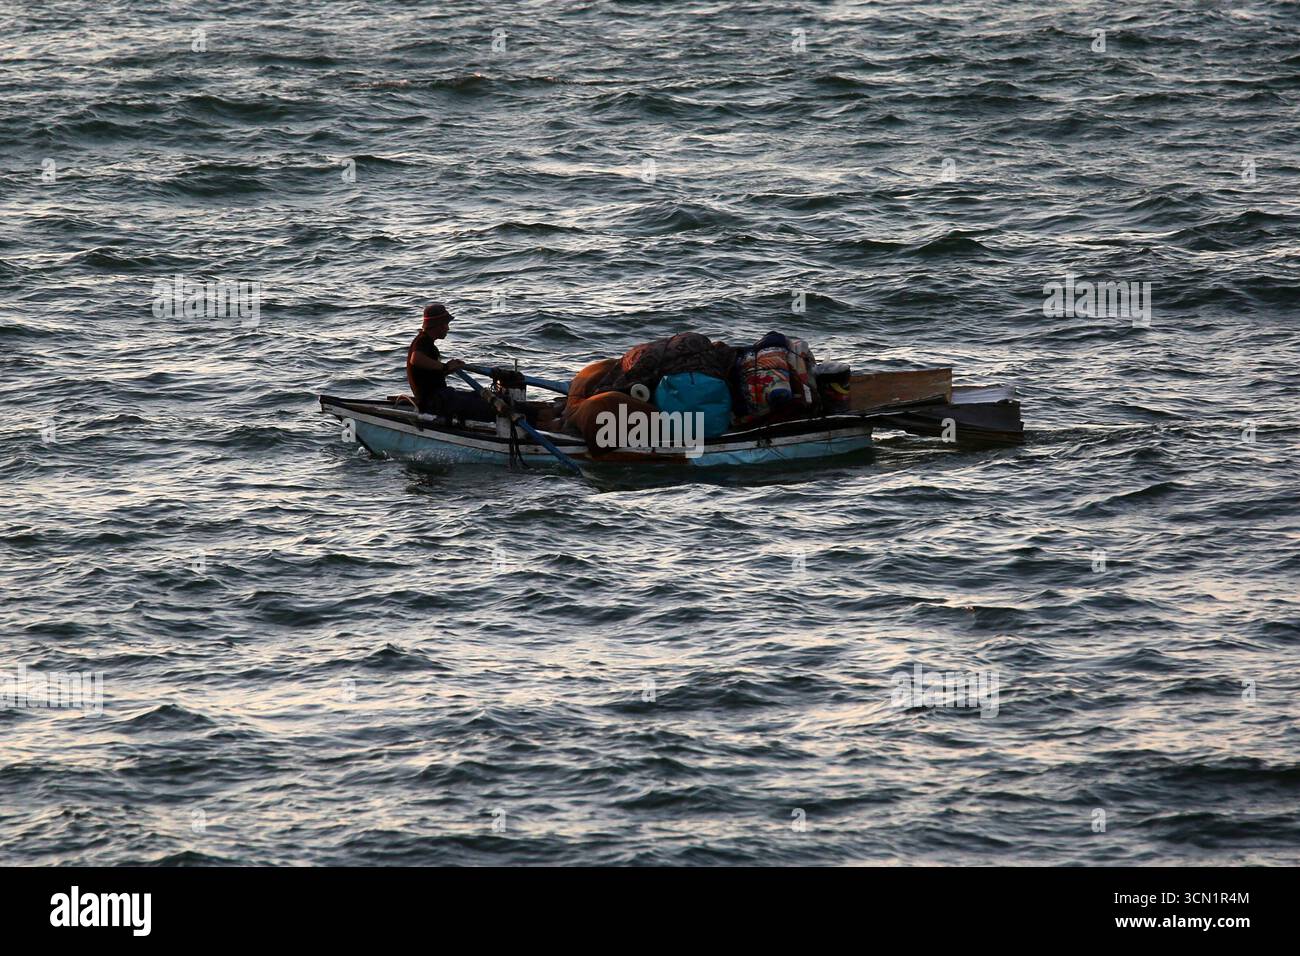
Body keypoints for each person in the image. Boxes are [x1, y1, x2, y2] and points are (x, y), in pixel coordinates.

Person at [406, 302, 495, 423]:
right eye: (446, 324)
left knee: (477, 396)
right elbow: (415, 359)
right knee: (488, 406)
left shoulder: (427, 344)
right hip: (434, 402)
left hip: (439, 398)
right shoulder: (422, 341)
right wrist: (445, 366)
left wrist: (449, 369)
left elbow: (429, 377)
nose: (448, 328)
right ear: (437, 325)